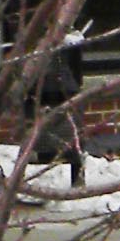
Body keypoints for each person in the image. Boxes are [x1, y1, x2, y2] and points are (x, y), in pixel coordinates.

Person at [25, 27, 87, 188]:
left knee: (69, 134)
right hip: (42, 93)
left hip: (65, 91)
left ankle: (74, 176)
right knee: (41, 137)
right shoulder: (33, 39)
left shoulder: (70, 42)